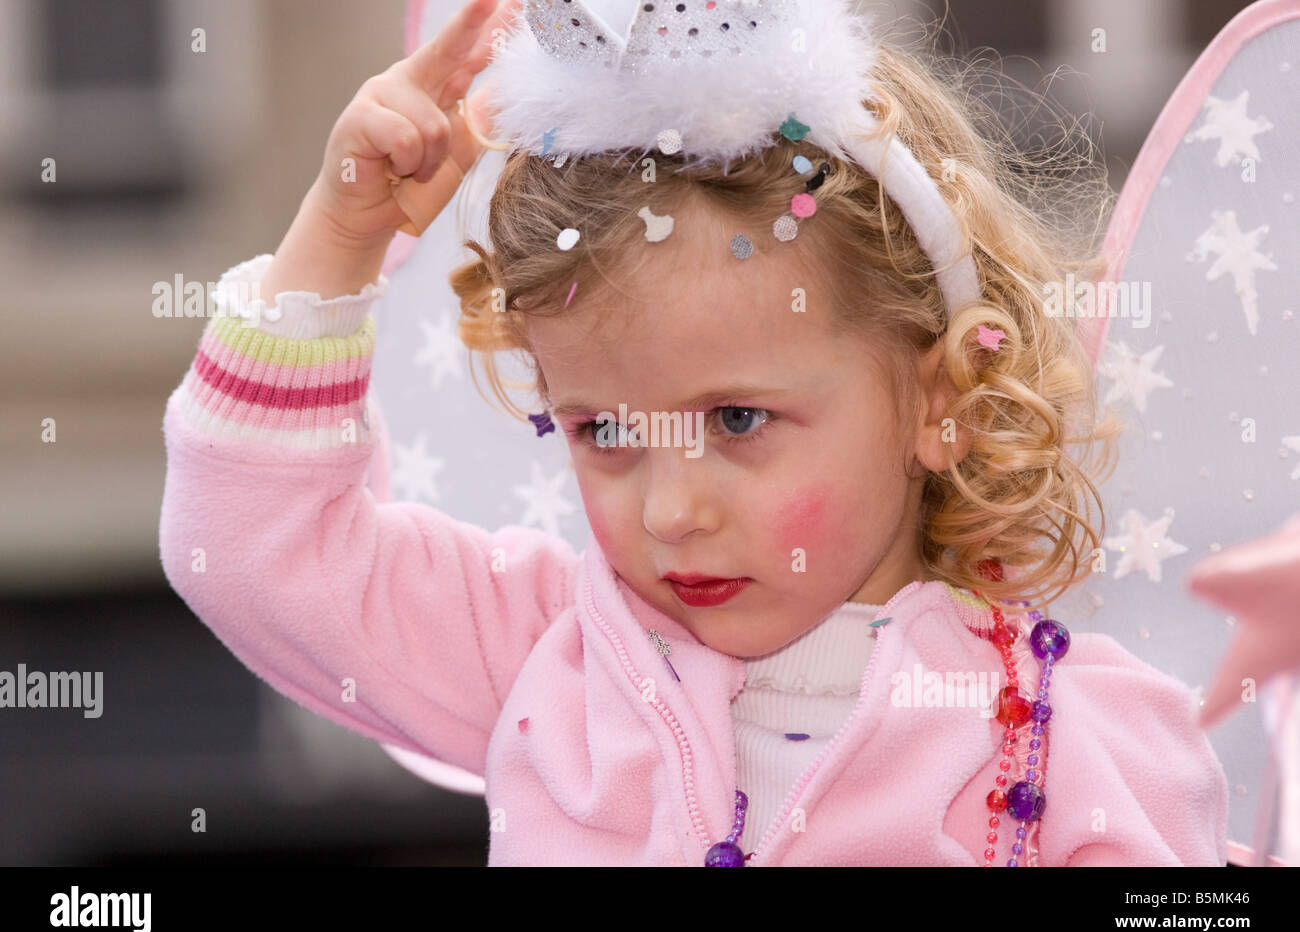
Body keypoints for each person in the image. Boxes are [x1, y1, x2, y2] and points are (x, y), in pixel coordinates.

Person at [159, 0, 1227, 865]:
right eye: (604, 429)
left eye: (738, 419)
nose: (671, 508)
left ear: (937, 397)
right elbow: (252, 549)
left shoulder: (1064, 733)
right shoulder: (549, 656)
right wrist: (338, 239)